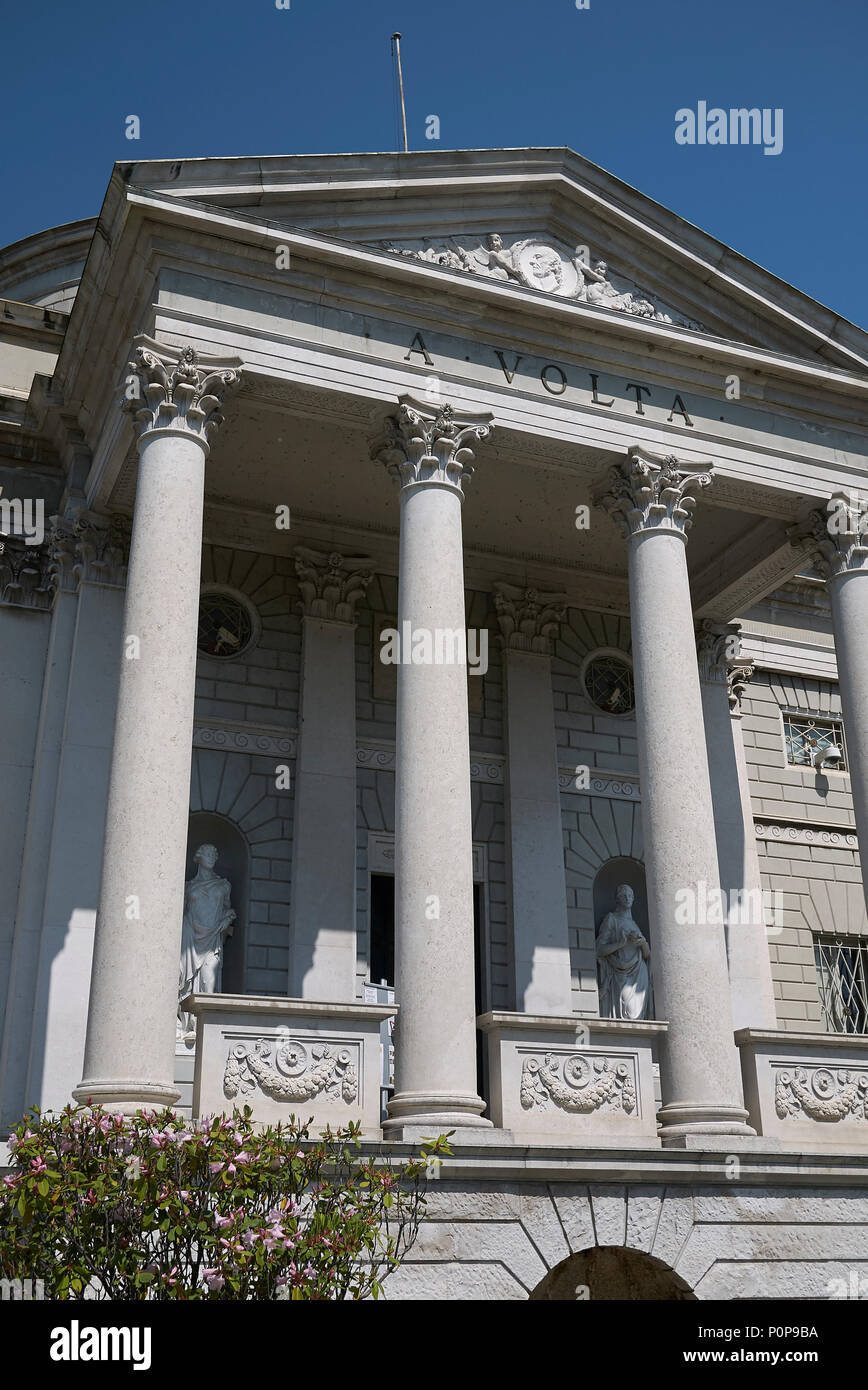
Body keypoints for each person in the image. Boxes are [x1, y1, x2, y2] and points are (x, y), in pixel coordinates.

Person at [596, 883, 651, 1020]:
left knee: (637, 1017)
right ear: (617, 899)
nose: (627, 898)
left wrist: (643, 942)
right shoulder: (612, 919)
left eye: (630, 895)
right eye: (624, 895)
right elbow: (600, 949)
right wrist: (620, 944)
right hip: (621, 974)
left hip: (639, 972)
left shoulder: (634, 924)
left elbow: (647, 955)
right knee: (630, 1013)